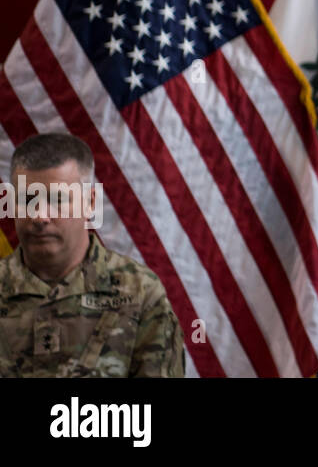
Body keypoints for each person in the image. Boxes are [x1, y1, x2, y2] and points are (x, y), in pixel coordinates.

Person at [0, 132, 186, 377]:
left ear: (90, 203)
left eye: (57, 200)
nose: (39, 217)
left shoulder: (140, 292)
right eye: (28, 200)